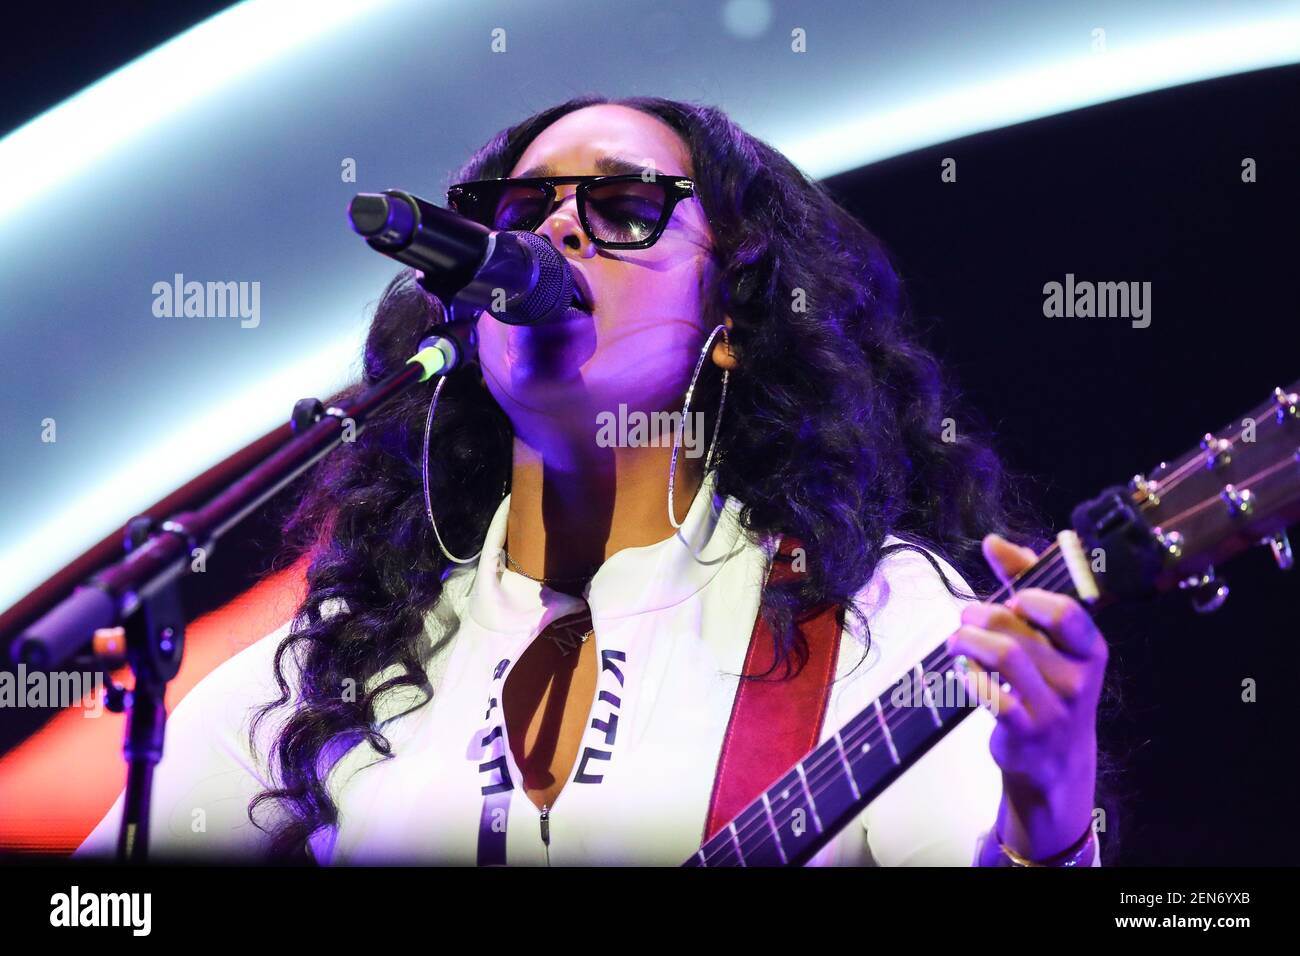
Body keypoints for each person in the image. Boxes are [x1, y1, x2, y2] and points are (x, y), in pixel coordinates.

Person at [76, 95, 1108, 866]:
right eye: (522, 207)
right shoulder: (356, 655)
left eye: (623, 207)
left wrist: (1047, 814)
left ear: (734, 320)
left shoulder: (873, 616)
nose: (555, 231)